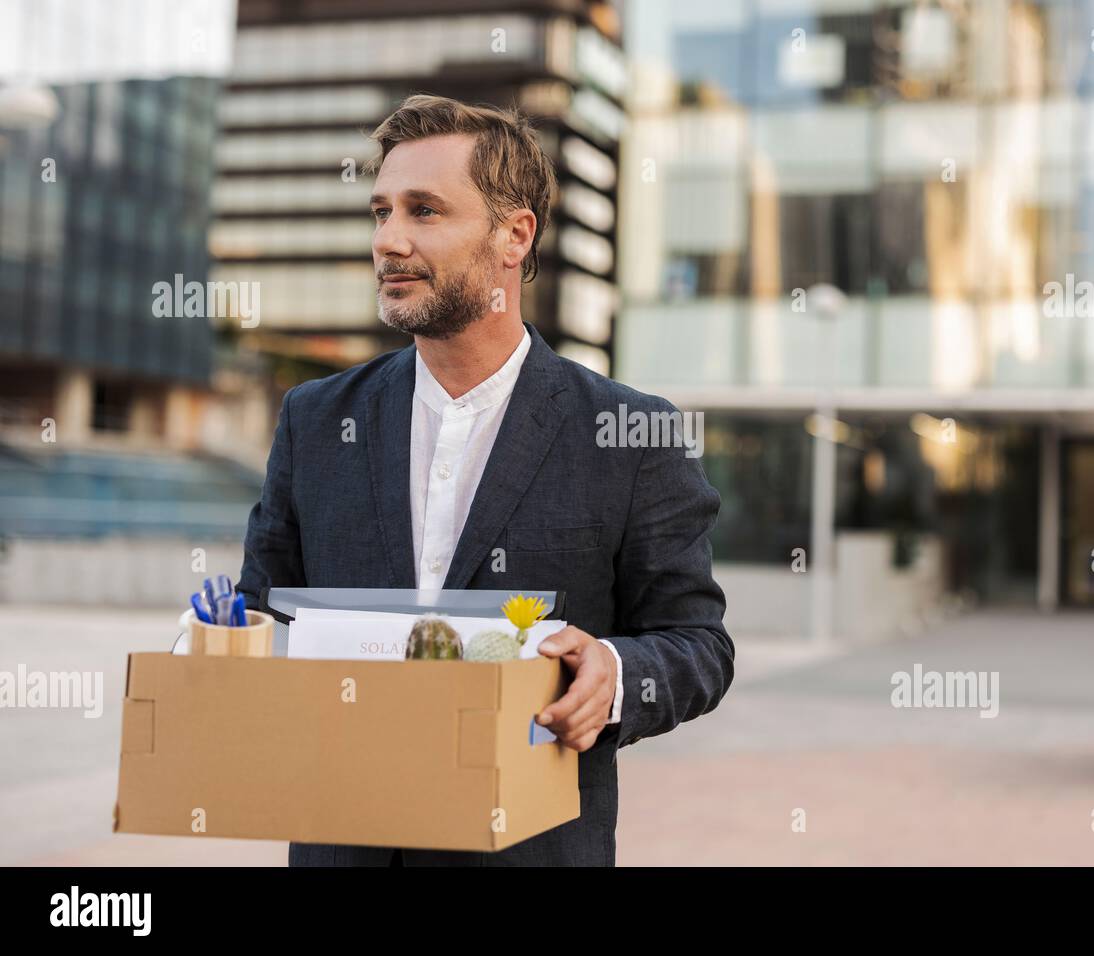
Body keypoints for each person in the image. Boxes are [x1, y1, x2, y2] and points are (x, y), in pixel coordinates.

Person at [236, 94, 735, 866]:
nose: (390, 240)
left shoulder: (634, 436)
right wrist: (221, 645)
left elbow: (698, 643)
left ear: (514, 234)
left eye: (425, 211)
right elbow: (260, 615)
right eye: (381, 212)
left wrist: (617, 673)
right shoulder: (314, 418)